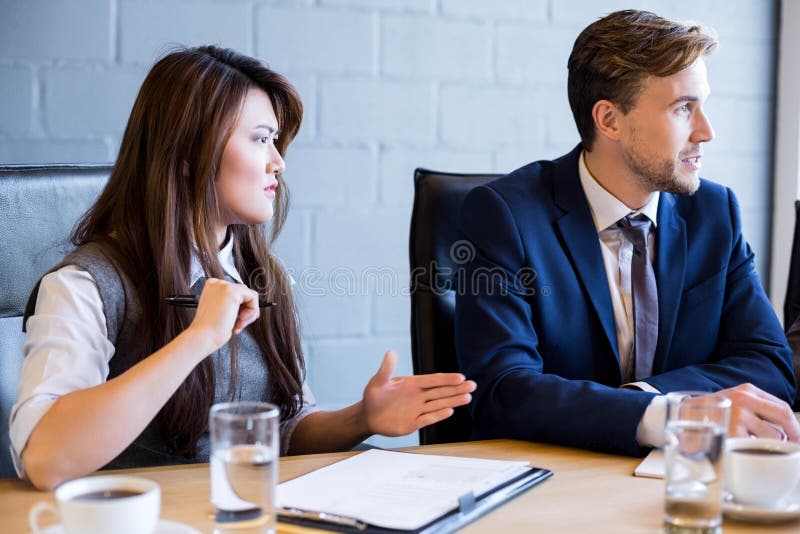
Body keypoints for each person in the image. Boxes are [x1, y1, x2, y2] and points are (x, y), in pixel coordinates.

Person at [10, 45, 476, 490]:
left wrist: (362, 418)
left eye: (275, 141)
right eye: (260, 140)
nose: (279, 162)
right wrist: (197, 338)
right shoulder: (84, 284)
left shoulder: (263, 276)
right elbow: (45, 458)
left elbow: (286, 430)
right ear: (189, 155)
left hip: (246, 512)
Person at [455, 9, 799, 457]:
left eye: (703, 105)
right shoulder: (505, 216)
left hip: (681, 474)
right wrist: (670, 415)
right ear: (609, 120)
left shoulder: (715, 212)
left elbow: (770, 365)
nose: (706, 131)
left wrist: (652, 403)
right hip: (558, 477)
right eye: (683, 108)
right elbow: (502, 389)